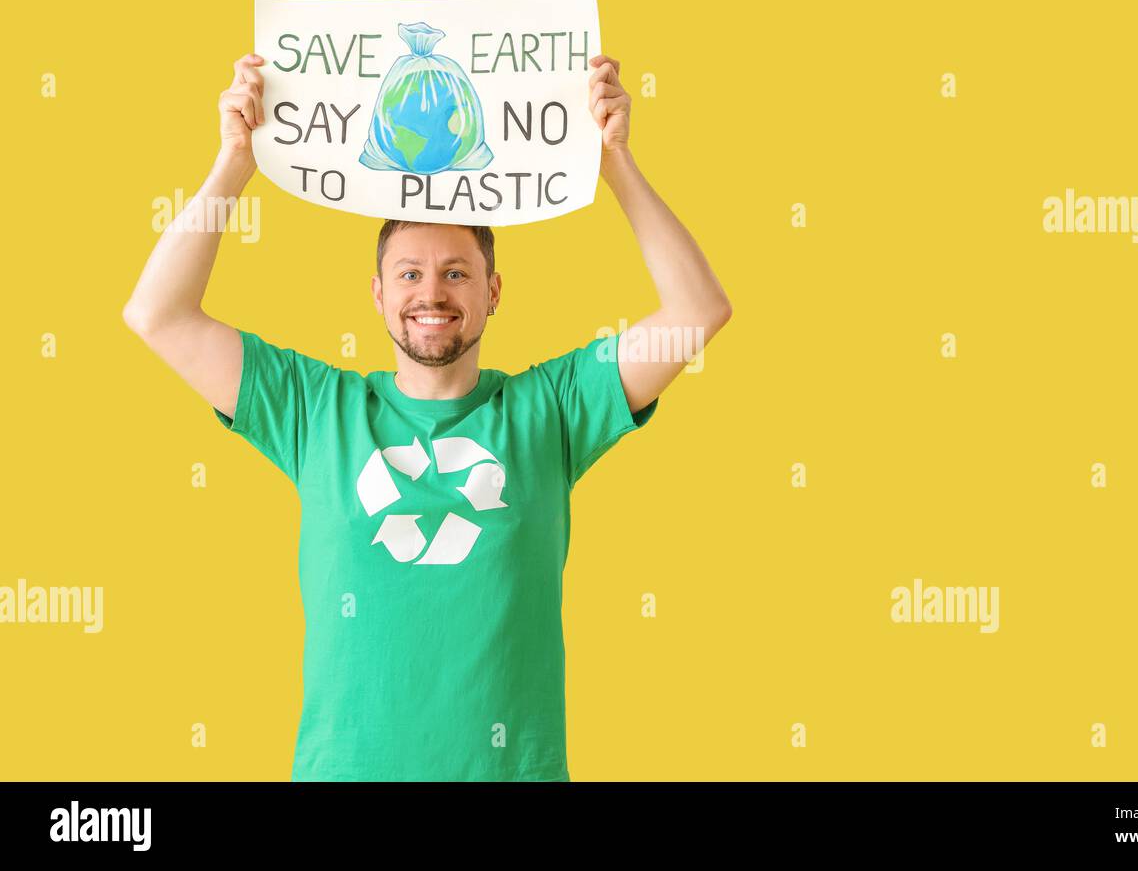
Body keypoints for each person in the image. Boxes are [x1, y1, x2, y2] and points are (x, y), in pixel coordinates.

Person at [122, 50, 732, 781]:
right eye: (409, 273)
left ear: (493, 290)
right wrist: (233, 165)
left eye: (455, 272)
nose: (431, 294)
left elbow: (698, 311)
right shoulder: (317, 411)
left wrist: (613, 164)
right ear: (377, 295)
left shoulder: (552, 409)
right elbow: (157, 314)